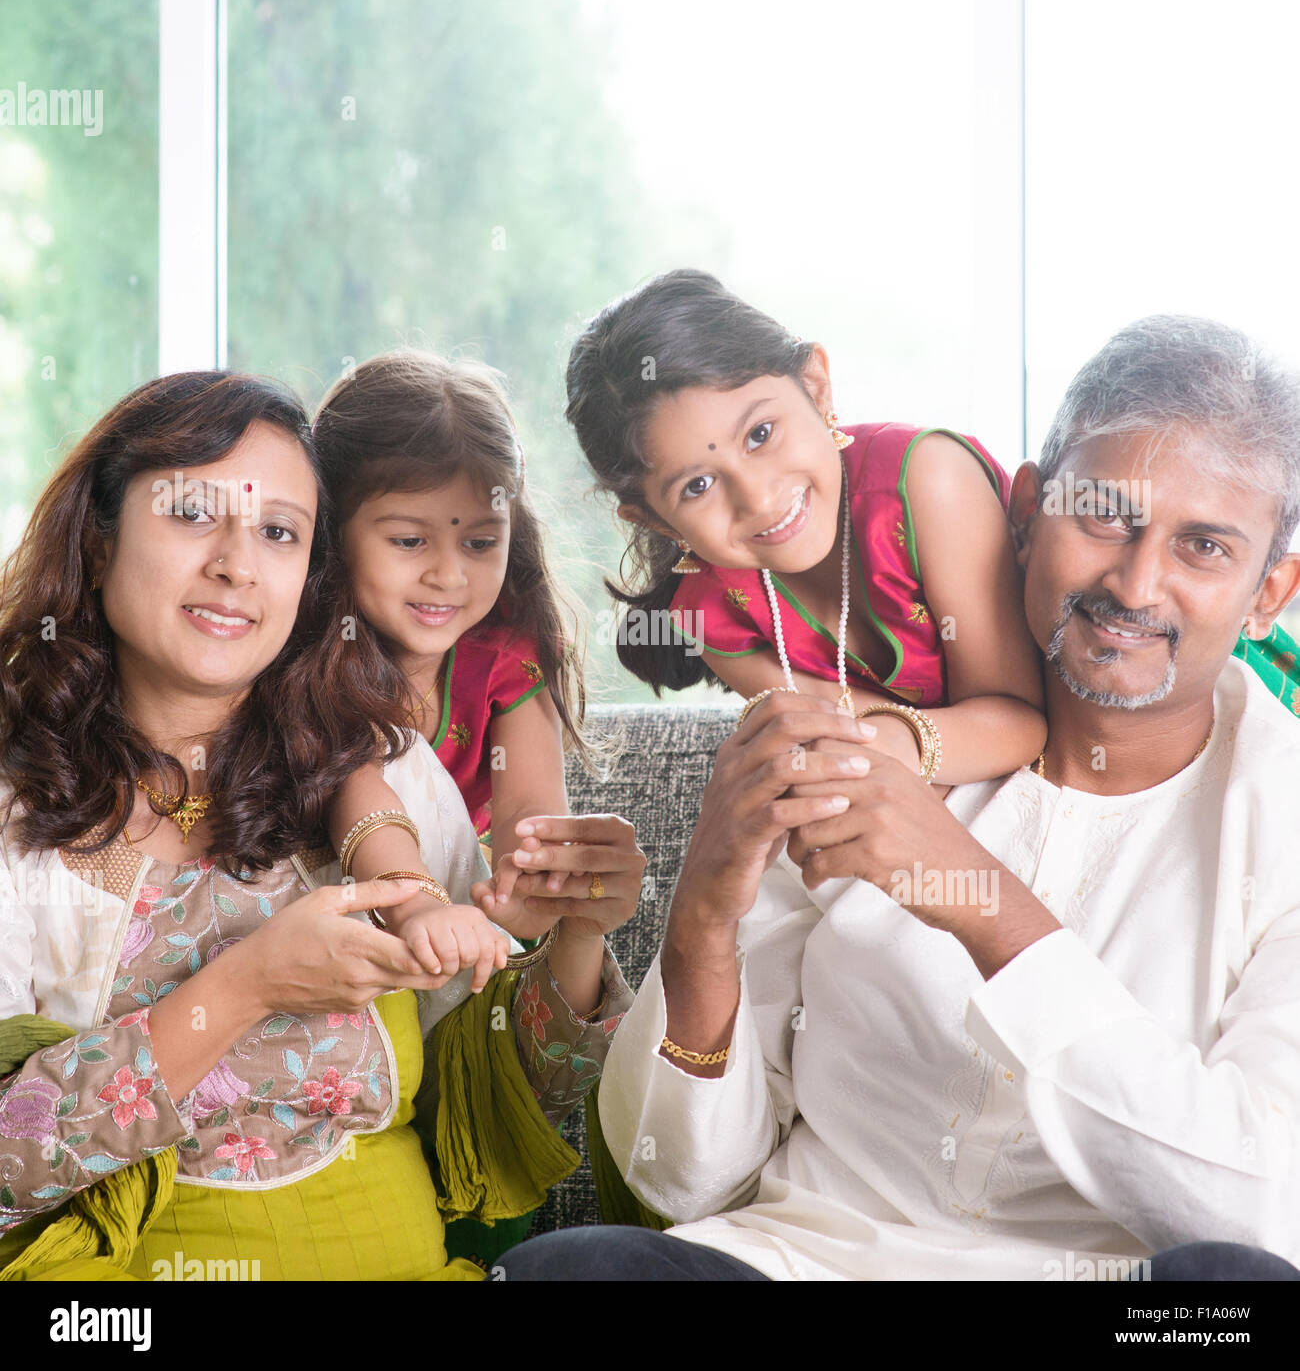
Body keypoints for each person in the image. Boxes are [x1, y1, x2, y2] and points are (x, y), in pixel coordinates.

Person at [497, 314, 1300, 1281]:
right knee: (575, 1271)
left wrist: (983, 906)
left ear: (1269, 591)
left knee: (1235, 1296)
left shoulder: (1280, 811)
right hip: (813, 1264)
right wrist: (703, 918)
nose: (1136, 581)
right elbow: (679, 1181)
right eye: (1103, 517)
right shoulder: (859, 746)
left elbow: (1261, 1209)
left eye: (1204, 548)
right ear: (1028, 509)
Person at [0, 370, 640, 1280]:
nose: (236, 563)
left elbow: (493, 1106)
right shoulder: (19, 807)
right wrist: (250, 986)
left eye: (277, 532)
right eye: (191, 514)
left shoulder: (388, 776)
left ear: (309, 576)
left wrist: (578, 935)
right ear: (99, 541)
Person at [565, 268, 1048, 786]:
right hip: (908, 814)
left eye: (760, 433)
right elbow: (836, 753)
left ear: (816, 387)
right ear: (657, 522)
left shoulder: (930, 481)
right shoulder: (709, 613)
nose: (758, 497)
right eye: (697, 486)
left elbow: (1019, 724)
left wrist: (890, 745)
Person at [311, 350, 603, 958]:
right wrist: (413, 899)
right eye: (410, 540)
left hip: (445, 921)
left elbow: (531, 811)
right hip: (308, 902)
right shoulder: (308, 650)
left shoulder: (506, 652)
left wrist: (532, 876)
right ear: (332, 529)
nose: (448, 575)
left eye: (478, 542)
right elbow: (352, 781)